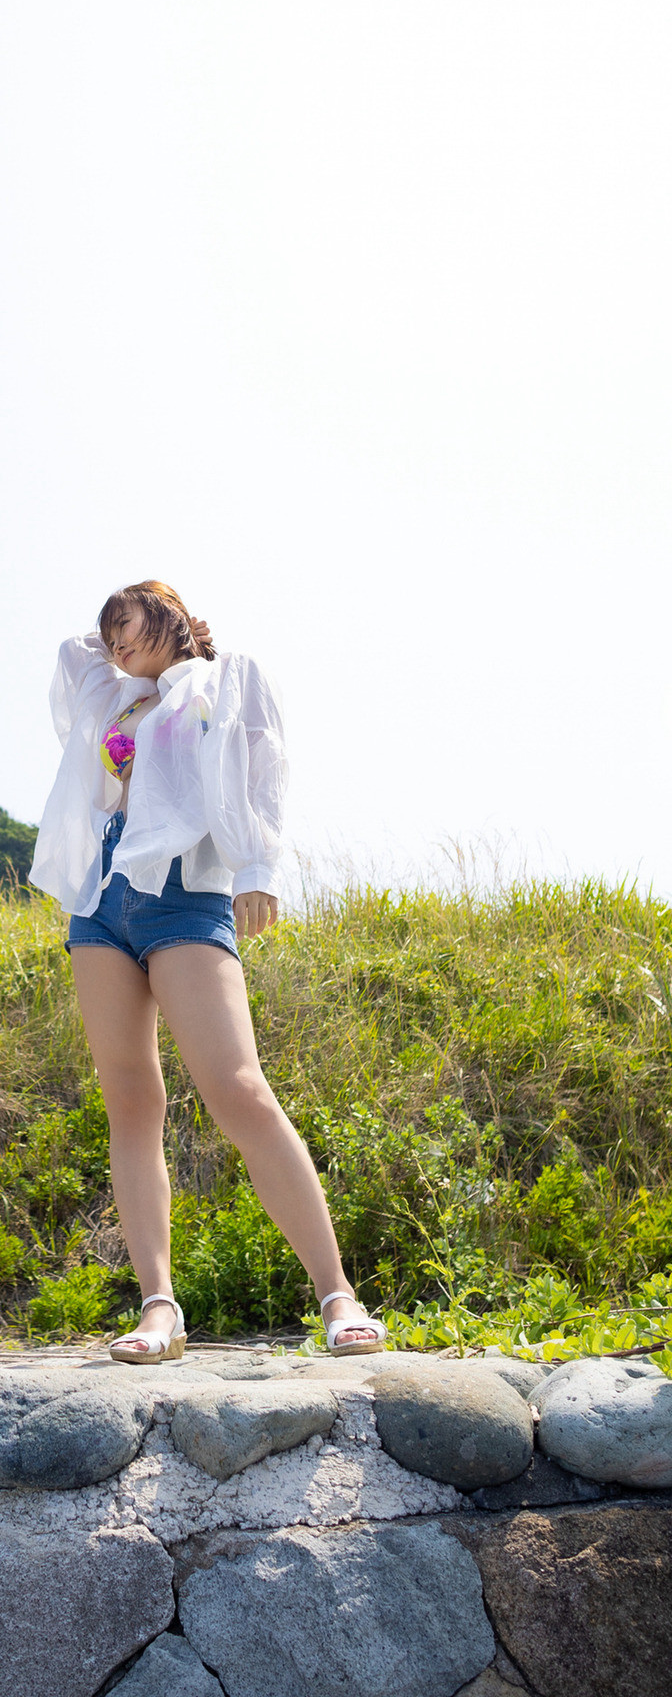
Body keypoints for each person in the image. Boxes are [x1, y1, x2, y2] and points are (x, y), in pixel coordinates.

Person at [29, 580, 385, 1362]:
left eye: (130, 627)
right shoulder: (116, 698)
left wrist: (258, 866)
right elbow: (71, 657)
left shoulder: (226, 680)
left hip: (186, 893)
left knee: (238, 1088)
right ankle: (160, 1308)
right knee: (130, 1100)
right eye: (111, 634)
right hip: (101, 899)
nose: (115, 644)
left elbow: (263, 763)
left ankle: (337, 1294)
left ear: (173, 619)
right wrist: (125, 632)